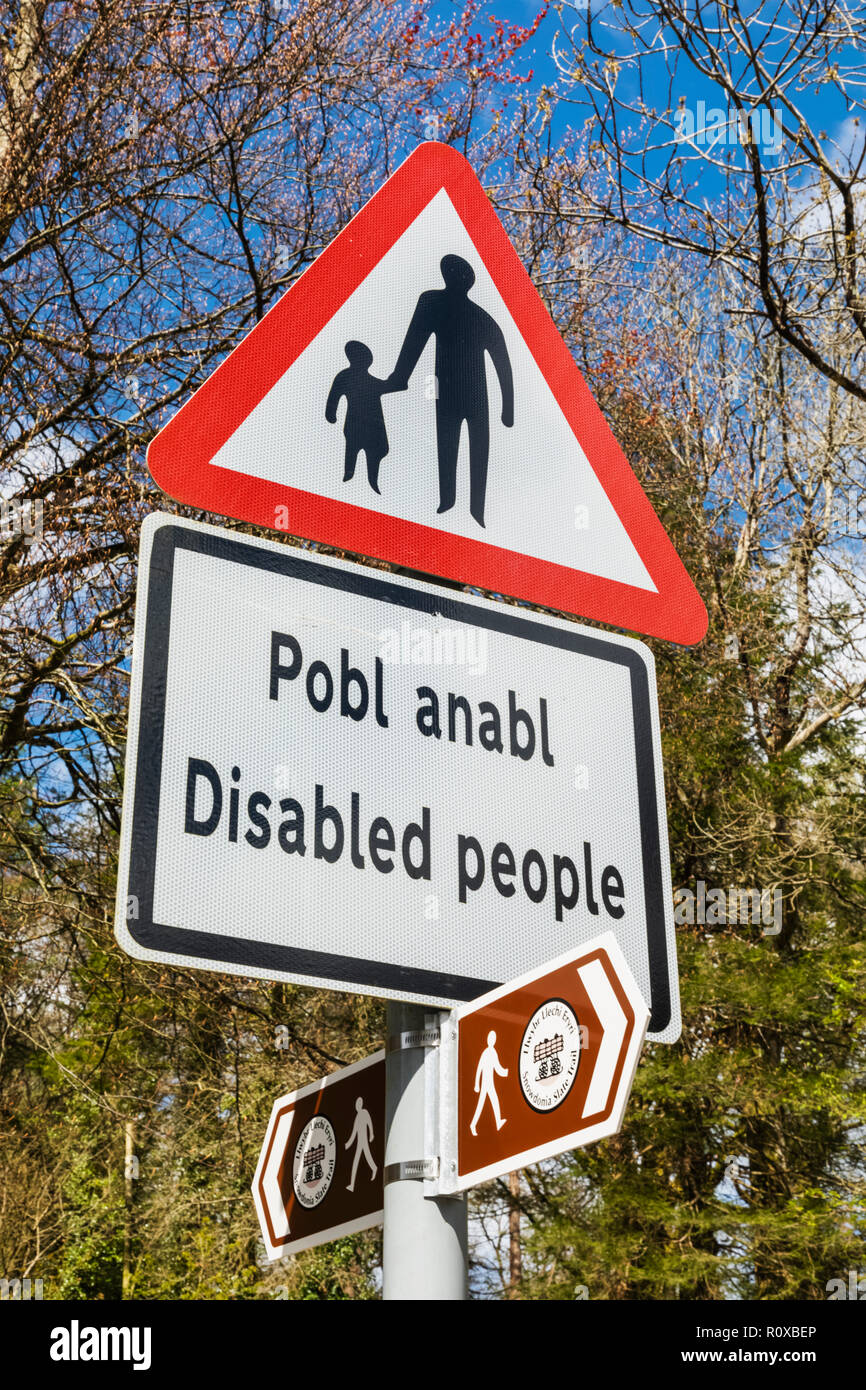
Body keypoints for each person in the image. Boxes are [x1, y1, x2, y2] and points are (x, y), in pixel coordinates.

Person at [387, 255, 514, 528]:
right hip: (459, 391)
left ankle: (475, 511)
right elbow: (415, 339)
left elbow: (501, 360)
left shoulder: (451, 307)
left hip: (464, 392)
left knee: (470, 446)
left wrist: (508, 409)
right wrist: (400, 376)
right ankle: (451, 504)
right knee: (454, 444)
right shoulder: (437, 303)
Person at [326, 340, 392, 494]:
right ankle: (347, 480)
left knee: (373, 455)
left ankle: (373, 483)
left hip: (373, 428)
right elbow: (334, 396)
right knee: (352, 454)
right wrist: (331, 414)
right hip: (355, 425)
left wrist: (397, 381)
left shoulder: (369, 380)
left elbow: (387, 386)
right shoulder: (345, 376)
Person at [470, 1030, 508, 1136]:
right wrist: (476, 1084)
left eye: (493, 1039)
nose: (492, 1040)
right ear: (488, 1040)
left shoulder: (492, 1052)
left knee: (493, 1101)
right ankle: (473, 1125)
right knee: (480, 1105)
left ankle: (498, 1122)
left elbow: (497, 1067)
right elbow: (479, 1068)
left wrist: (505, 1072)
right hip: (485, 1083)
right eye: (491, 1038)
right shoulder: (487, 1052)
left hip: (489, 1082)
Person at [345, 1096, 377, 1191]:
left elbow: (369, 1123)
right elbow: (354, 1132)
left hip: (364, 1140)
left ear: (361, 1104)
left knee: (365, 1158)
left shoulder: (364, 1113)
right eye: (356, 1104)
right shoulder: (357, 1116)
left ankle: (374, 1168)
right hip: (360, 1142)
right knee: (359, 1160)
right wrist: (348, 1143)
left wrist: (371, 1134)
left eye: (358, 1104)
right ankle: (352, 1184)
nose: (357, 1105)